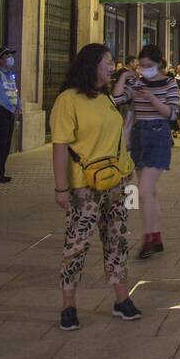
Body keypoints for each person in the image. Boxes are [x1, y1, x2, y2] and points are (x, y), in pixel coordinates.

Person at [50, 43, 140, 329]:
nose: (111, 66)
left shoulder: (103, 98)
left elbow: (116, 137)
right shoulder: (68, 100)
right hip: (84, 187)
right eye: (107, 62)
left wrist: (128, 173)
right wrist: (61, 188)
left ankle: (121, 298)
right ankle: (68, 305)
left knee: (117, 239)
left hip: (116, 182)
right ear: (91, 65)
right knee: (77, 244)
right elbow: (60, 147)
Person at [125, 45, 179, 259]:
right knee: (150, 192)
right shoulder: (136, 83)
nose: (144, 69)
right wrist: (124, 78)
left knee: (144, 190)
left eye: (149, 66)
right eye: (141, 65)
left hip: (158, 135)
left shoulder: (169, 83)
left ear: (159, 64)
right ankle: (155, 236)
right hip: (139, 135)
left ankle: (147, 238)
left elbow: (172, 114)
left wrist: (151, 98)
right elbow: (121, 101)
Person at [0, 46, 20, 183]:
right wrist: (11, 108)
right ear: (0, 60)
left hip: (9, 113)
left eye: (10, 56)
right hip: (0, 112)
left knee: (5, 145)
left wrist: (18, 106)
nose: (10, 58)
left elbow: (14, 92)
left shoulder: (10, 75)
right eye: (7, 56)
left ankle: (0, 173)